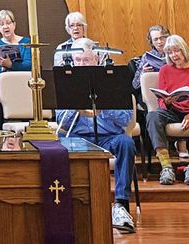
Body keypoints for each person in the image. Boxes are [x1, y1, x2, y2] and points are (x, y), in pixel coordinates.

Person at [55, 43, 137, 234]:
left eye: (87, 60)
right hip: (78, 138)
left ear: (97, 60)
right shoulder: (68, 83)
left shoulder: (114, 82)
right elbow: (61, 122)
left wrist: (105, 107)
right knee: (57, 147)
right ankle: (71, 206)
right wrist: (74, 104)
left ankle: (121, 204)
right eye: (79, 60)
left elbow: (126, 119)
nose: (82, 64)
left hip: (109, 137)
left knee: (126, 143)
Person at [148, 34, 189, 186]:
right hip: (172, 110)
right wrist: (165, 102)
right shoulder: (165, 70)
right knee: (152, 116)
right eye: (170, 53)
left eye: (176, 51)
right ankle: (166, 167)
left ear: (184, 50)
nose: (173, 55)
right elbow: (161, 98)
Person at [0, 9, 32, 126]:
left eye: (8, 23)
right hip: (2, 89)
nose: (5, 26)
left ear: (14, 25)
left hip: (22, 85)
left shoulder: (25, 43)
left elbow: (30, 65)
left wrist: (11, 65)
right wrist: (3, 69)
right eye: (2, 24)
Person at [131, 24, 169, 92]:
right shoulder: (147, 57)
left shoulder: (175, 53)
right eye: (155, 39)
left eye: (162, 38)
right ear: (151, 42)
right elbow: (135, 85)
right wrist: (143, 73)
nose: (159, 42)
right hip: (154, 90)